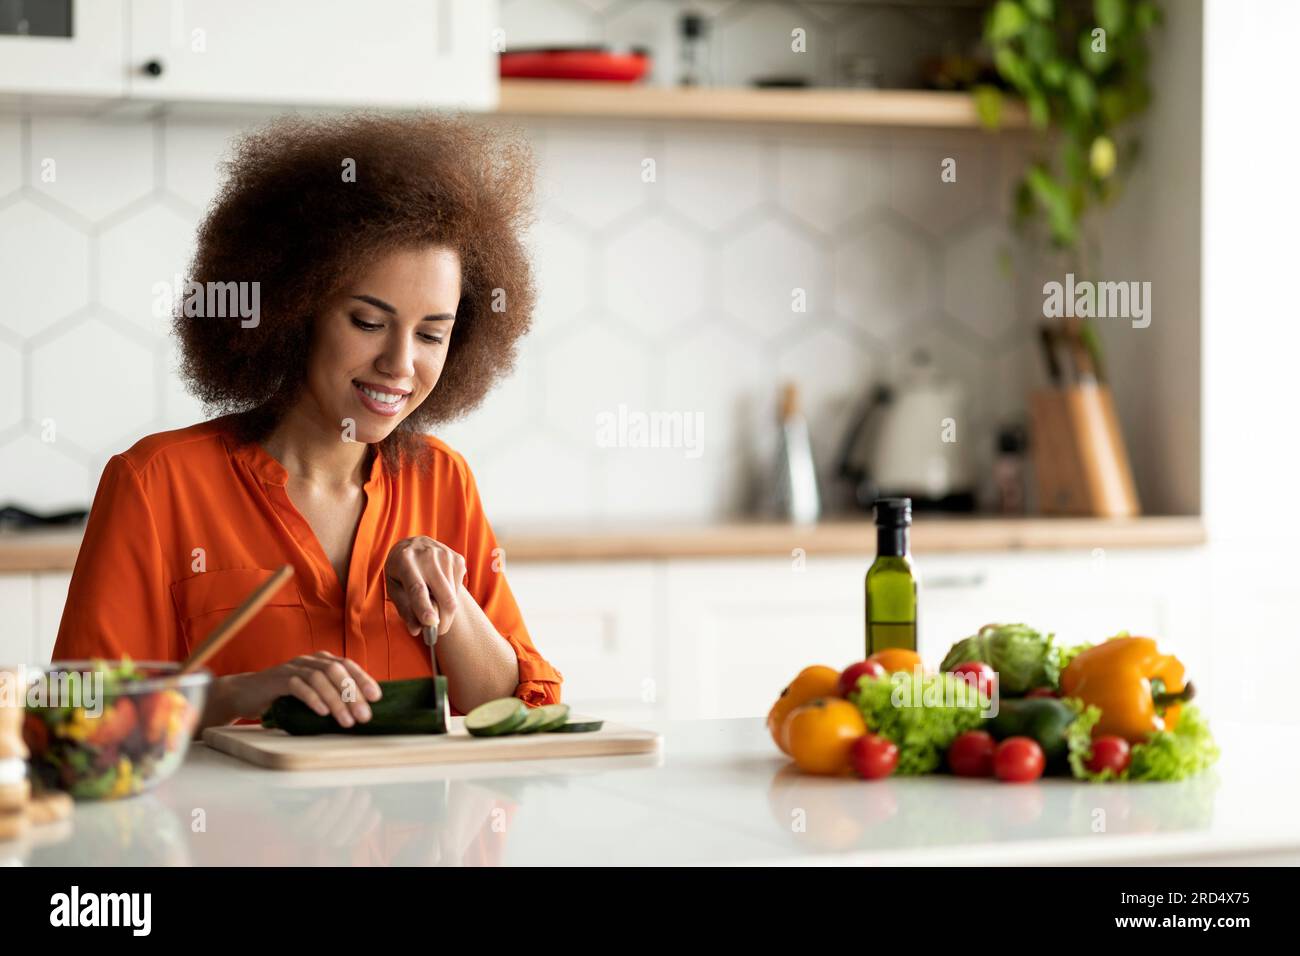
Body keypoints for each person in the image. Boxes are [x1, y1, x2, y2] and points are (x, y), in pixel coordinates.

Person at [52, 112, 562, 732]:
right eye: (368, 323)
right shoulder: (157, 484)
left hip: (416, 831)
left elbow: (515, 713)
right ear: (293, 310)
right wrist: (245, 693)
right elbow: (78, 716)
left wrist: (453, 609)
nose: (400, 364)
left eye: (432, 334)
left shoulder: (443, 481)